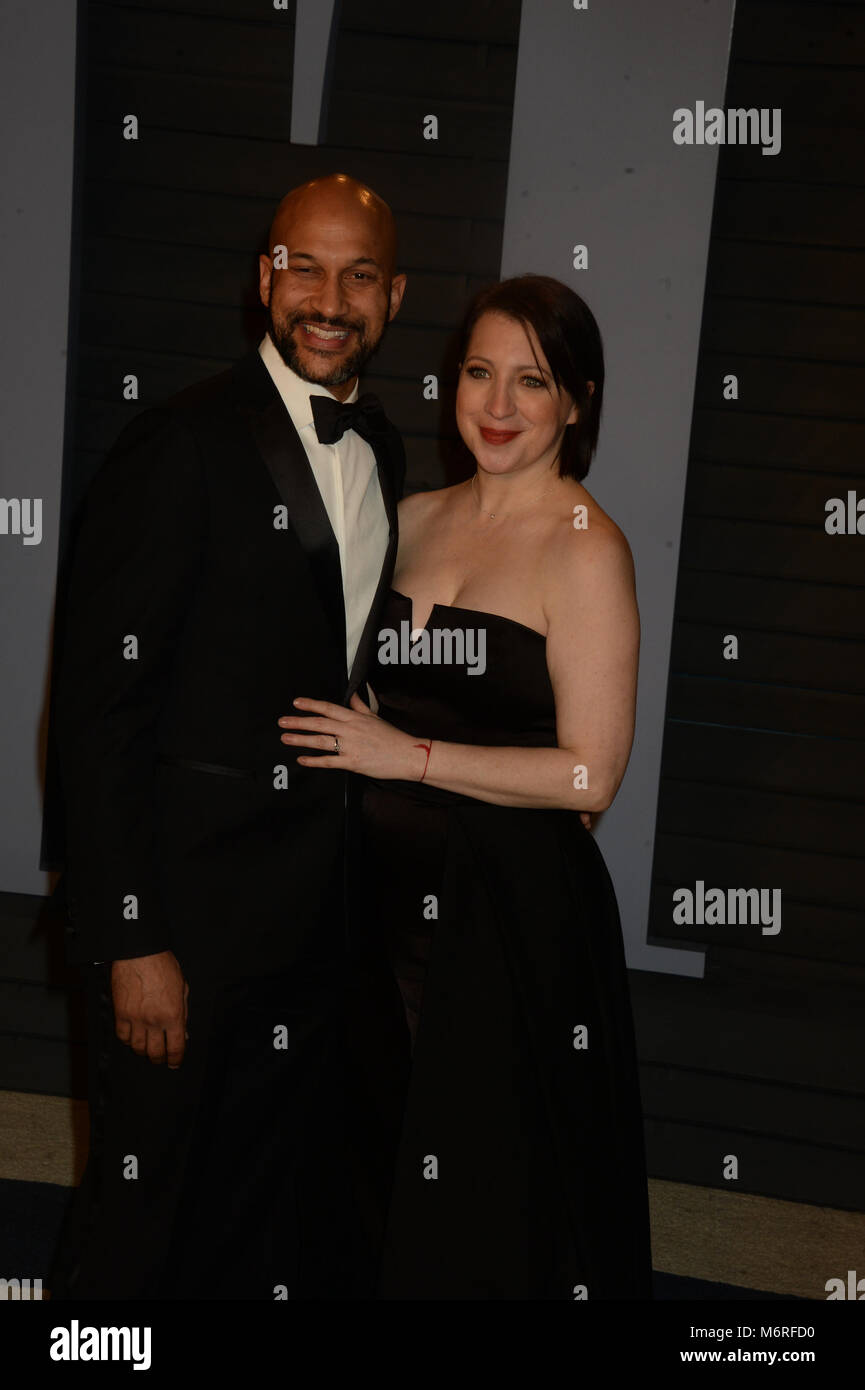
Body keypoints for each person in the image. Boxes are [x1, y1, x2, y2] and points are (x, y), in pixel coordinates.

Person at [49, 173, 407, 1300]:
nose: (328, 297)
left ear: (393, 297)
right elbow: (99, 709)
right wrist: (130, 937)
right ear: (265, 279)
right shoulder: (179, 441)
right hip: (183, 922)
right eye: (304, 265)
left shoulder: (385, 448)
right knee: (138, 1221)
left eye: (358, 275)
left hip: (311, 923)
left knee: (253, 1214)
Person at [277, 274, 653, 1299]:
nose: (496, 404)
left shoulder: (588, 550)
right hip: (372, 905)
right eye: (478, 373)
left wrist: (412, 759)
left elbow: (593, 775)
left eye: (530, 381)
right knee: (368, 1172)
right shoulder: (407, 514)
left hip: (503, 925)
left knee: (487, 1198)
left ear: (576, 401)